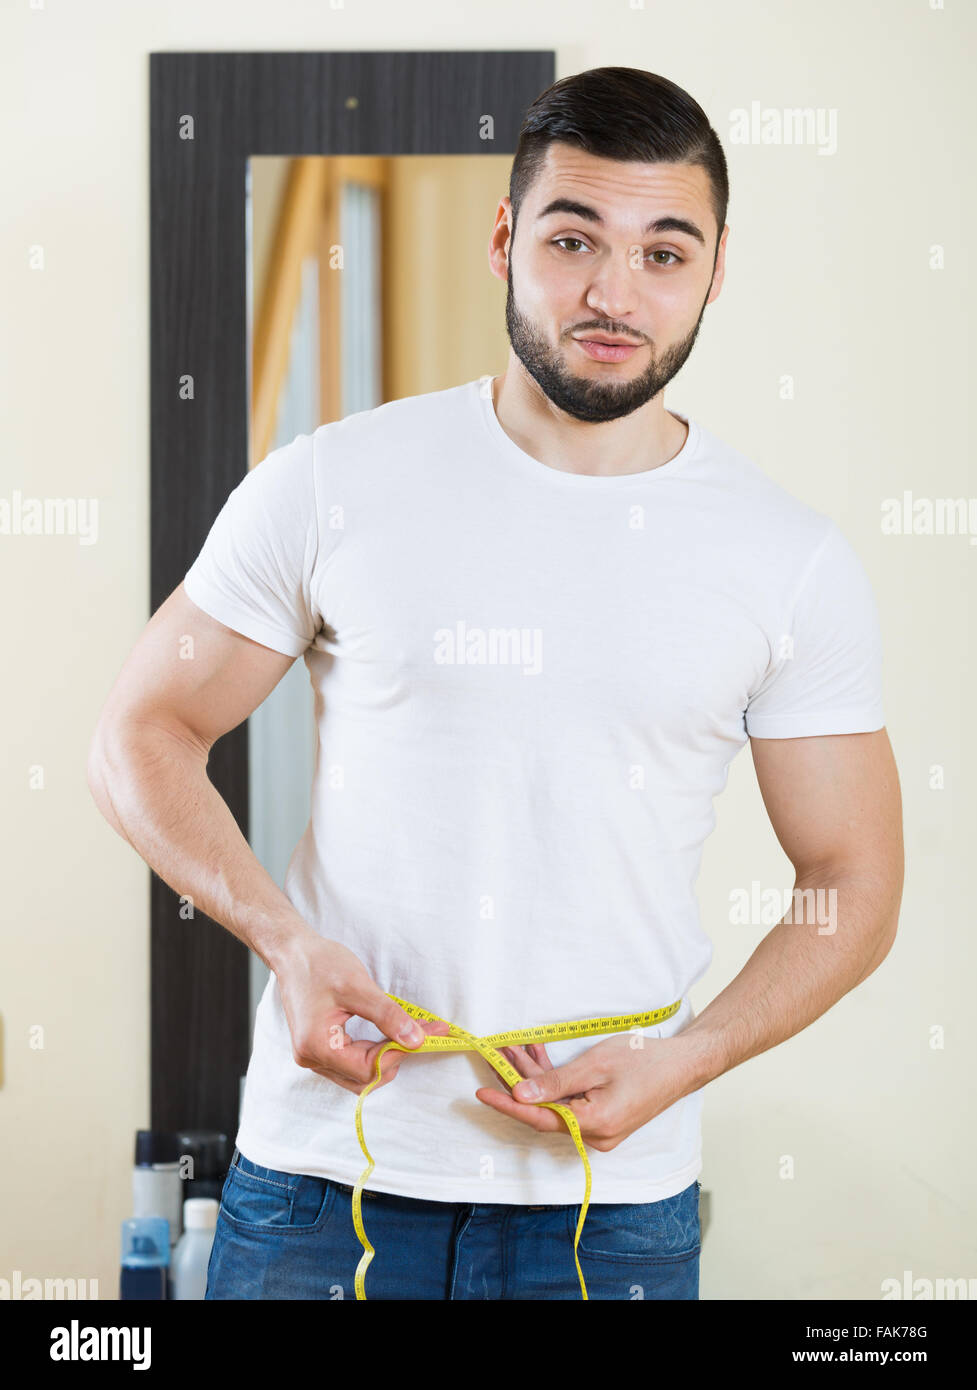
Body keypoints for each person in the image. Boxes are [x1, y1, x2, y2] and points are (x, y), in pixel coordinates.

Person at [87, 65, 903, 1301]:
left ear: (716, 271)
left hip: (606, 1208)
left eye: (663, 252)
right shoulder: (332, 482)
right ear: (505, 239)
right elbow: (139, 731)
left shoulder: (787, 561)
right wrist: (283, 944)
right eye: (573, 238)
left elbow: (853, 878)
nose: (611, 292)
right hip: (321, 1185)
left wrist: (686, 1060)